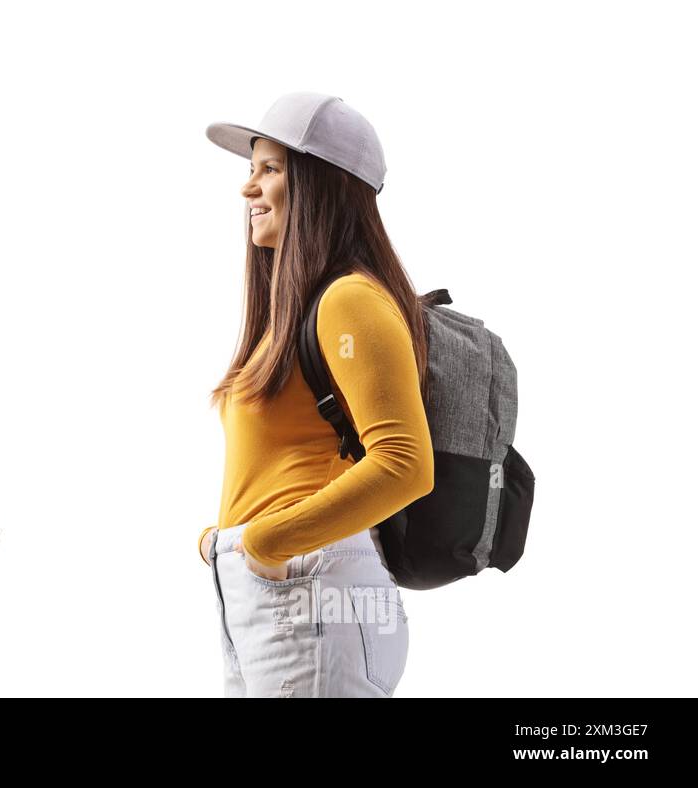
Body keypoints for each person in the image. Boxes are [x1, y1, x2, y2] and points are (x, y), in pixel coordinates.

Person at [198, 92, 434, 697]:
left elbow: (405, 465)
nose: (247, 189)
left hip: (308, 590)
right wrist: (223, 542)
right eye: (251, 170)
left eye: (270, 169)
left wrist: (265, 540)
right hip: (272, 591)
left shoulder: (349, 300)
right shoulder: (295, 313)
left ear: (319, 183)